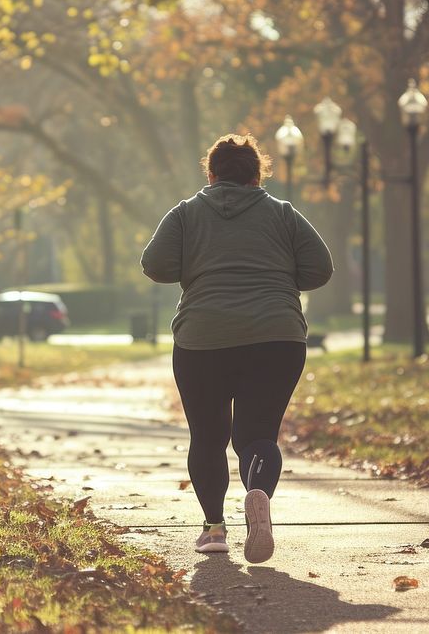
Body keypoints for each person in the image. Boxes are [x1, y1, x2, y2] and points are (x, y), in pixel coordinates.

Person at [141, 134, 333, 564]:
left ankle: (213, 529)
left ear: (211, 174)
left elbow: (154, 265)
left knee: (208, 437)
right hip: (277, 337)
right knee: (257, 435)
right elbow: (320, 268)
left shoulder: (186, 213)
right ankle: (258, 492)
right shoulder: (283, 214)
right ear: (257, 176)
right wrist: (279, 277)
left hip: (203, 338)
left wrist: (195, 265)